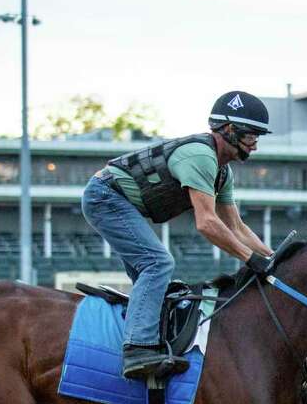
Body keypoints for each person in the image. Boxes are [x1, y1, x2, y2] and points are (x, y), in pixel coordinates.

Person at [80, 90, 276, 379]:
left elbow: (236, 227)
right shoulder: (201, 156)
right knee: (158, 264)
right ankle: (137, 349)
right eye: (252, 135)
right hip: (104, 197)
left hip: (117, 200)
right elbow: (207, 223)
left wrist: (273, 258)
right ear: (230, 130)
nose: (255, 144)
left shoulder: (223, 173)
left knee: (160, 282)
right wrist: (251, 259)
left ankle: (151, 340)